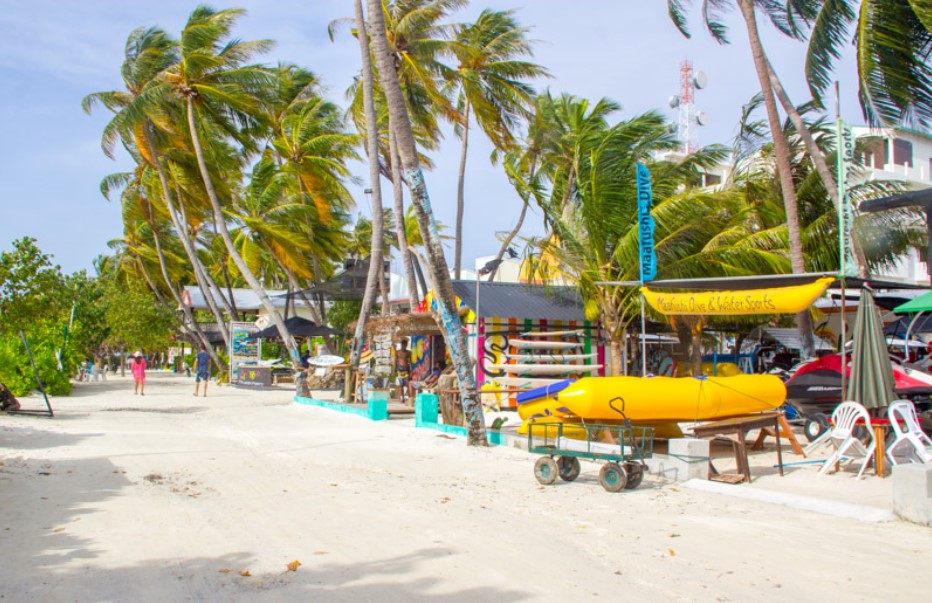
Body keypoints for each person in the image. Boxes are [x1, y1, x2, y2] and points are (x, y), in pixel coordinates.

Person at [394, 338, 412, 404]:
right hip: (399, 369)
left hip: (406, 369)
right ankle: (403, 398)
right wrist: (394, 369)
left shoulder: (408, 352)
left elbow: (410, 362)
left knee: (407, 384)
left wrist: (411, 370)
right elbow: (395, 361)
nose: (404, 346)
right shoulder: (397, 352)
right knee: (401, 385)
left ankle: (410, 398)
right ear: (401, 345)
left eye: (405, 345)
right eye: (403, 345)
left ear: (406, 345)